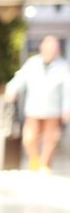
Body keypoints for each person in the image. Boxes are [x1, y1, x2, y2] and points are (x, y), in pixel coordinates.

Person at [4, 34, 70, 172]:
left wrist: (67, 108)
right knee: (29, 138)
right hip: (34, 108)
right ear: (42, 48)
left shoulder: (63, 67)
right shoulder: (32, 63)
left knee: (50, 140)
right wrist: (11, 90)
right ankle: (35, 160)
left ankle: (45, 165)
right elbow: (19, 79)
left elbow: (67, 89)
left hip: (53, 110)